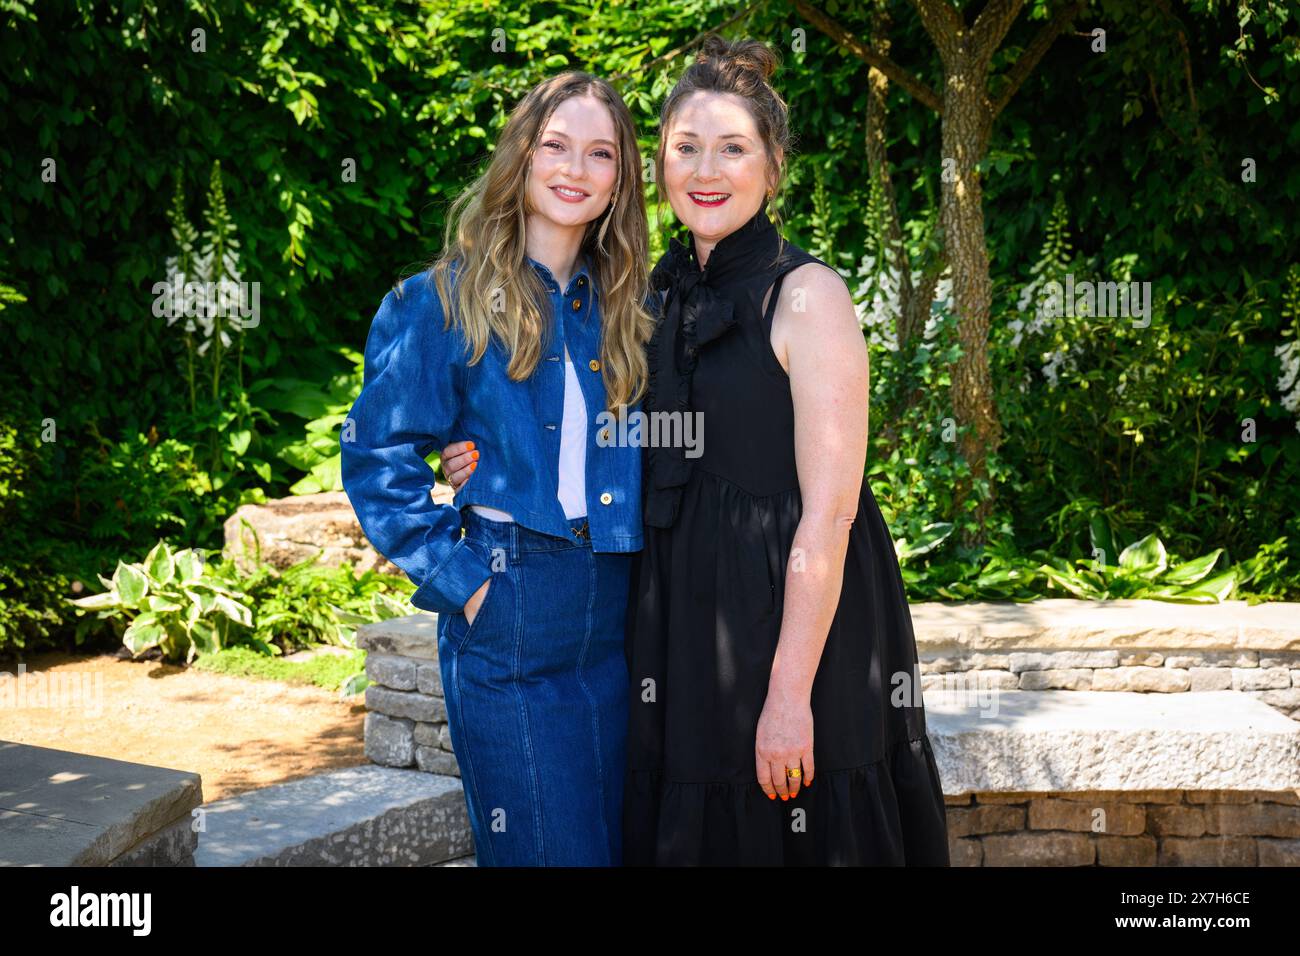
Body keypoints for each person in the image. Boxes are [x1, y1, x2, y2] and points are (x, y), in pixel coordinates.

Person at [442, 35, 950, 865]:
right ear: (660, 165)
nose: (706, 170)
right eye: (686, 148)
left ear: (774, 164)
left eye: (733, 148)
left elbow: (830, 515)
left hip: (797, 626)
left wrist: (788, 695)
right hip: (678, 617)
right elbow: (597, 430)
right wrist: (479, 454)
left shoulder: (808, 296)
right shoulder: (643, 293)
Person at [340, 71, 656, 866]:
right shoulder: (439, 300)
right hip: (509, 608)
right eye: (555, 145)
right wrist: (465, 580)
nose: (574, 169)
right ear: (520, 155)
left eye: (600, 154)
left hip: (617, 620)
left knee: (615, 849)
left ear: (622, 180)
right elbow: (375, 455)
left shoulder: (631, 305)